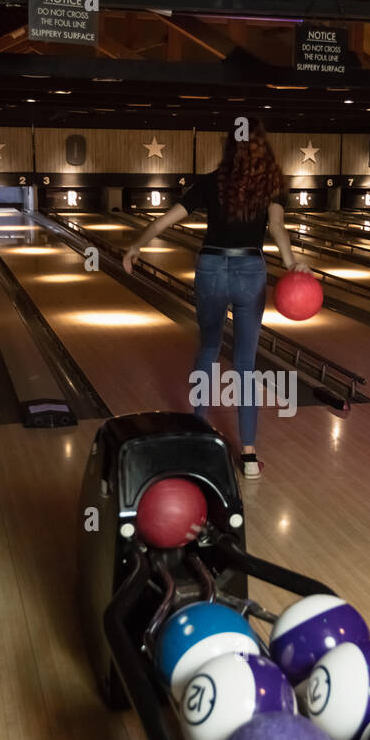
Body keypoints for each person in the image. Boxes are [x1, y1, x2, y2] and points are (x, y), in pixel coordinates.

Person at [122, 117, 298, 479]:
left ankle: (198, 433)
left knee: (208, 348)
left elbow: (166, 221)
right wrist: (294, 262)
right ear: (263, 147)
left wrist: (136, 246)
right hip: (250, 271)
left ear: (228, 146)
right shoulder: (272, 184)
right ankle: (248, 456)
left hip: (212, 268)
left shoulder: (211, 182)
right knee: (246, 365)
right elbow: (278, 227)